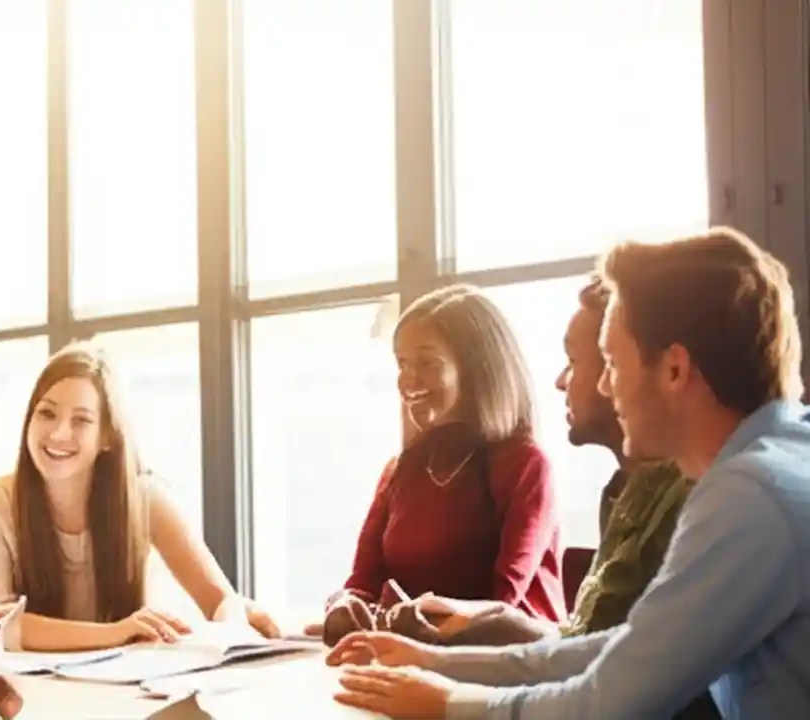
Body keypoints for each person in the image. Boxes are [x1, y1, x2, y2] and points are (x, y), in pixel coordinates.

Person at [326, 227, 810, 719]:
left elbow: (608, 703)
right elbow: (623, 651)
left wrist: (447, 704)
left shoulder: (747, 497)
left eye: (613, 363)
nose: (604, 384)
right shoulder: (776, 463)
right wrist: (440, 662)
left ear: (673, 370)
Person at [385, 278, 696, 646]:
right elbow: (594, 645)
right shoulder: (629, 491)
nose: (560, 381)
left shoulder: (697, 501)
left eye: (579, 362)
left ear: (672, 370)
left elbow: (619, 671)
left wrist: (503, 629)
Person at [0, 342, 279, 652]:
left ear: (107, 437)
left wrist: (236, 620)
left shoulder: (145, 497)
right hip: (23, 696)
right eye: (46, 413)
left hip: (130, 691)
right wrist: (115, 633)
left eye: (81, 420)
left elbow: (221, 601)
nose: (58, 433)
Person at [320, 285, 565, 646]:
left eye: (427, 363)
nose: (406, 380)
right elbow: (362, 583)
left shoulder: (525, 467)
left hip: (511, 671)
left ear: (478, 369)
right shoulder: (400, 472)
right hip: (419, 661)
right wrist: (345, 606)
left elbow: (502, 605)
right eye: (402, 364)